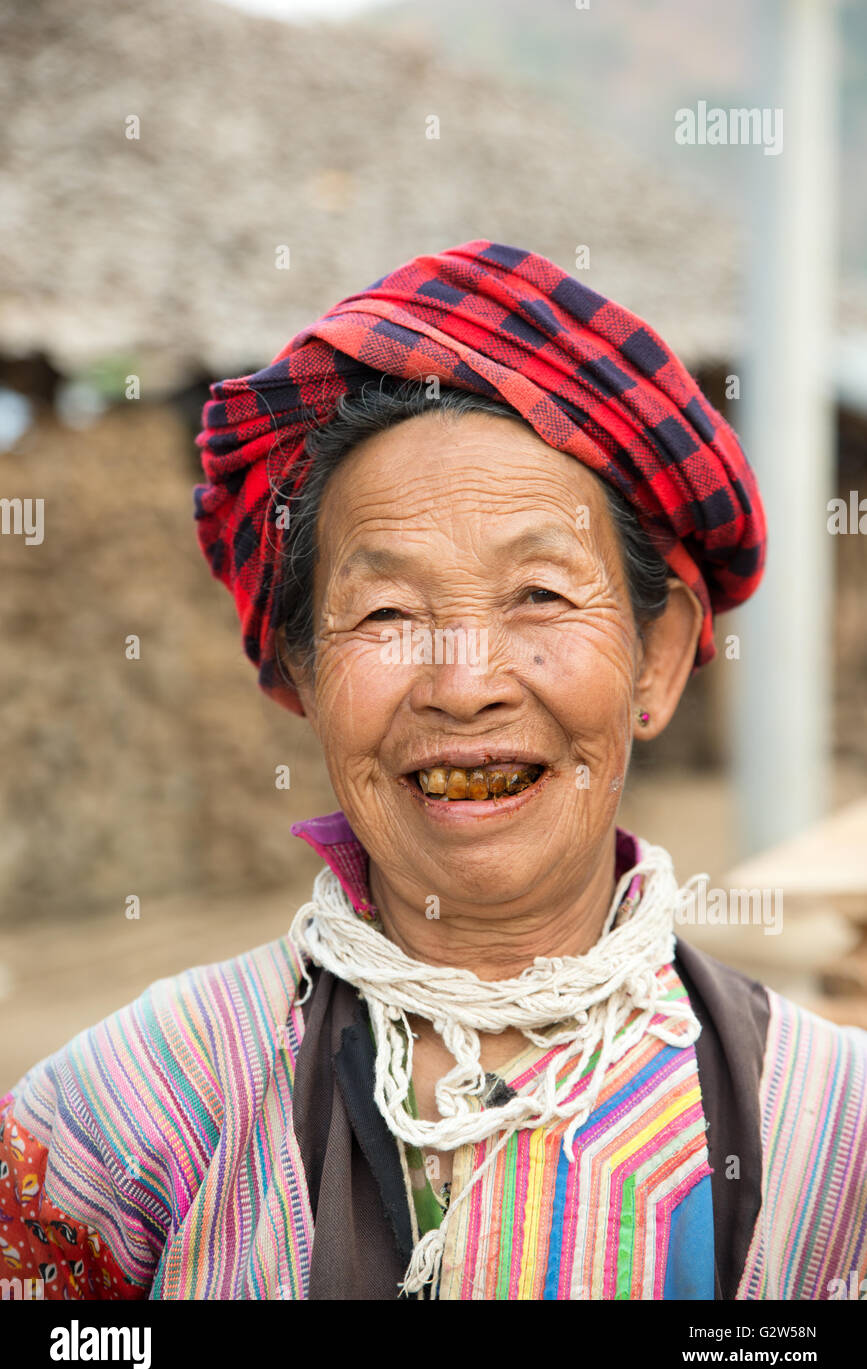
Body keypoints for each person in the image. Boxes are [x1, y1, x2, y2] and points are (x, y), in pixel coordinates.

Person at [1, 241, 864, 1301]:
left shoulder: (830, 1138)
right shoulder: (136, 1108)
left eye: (541, 595)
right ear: (301, 671)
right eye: (387, 612)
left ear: (658, 654)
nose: (464, 686)